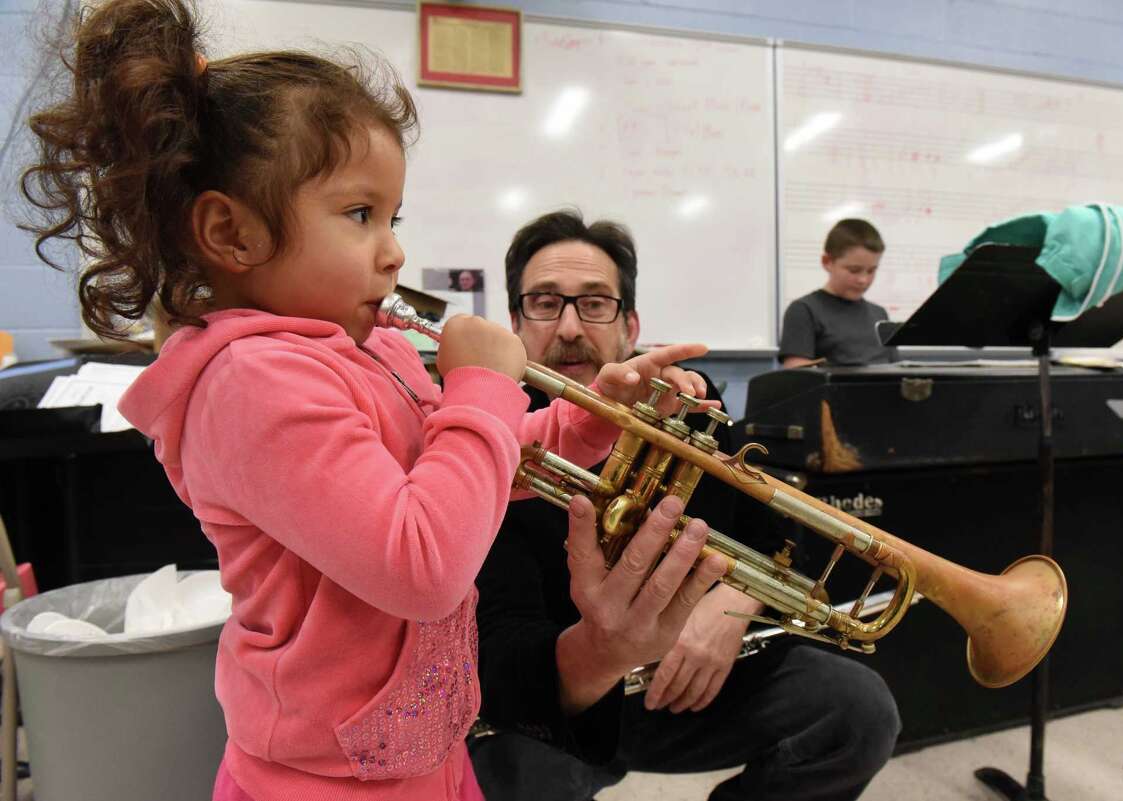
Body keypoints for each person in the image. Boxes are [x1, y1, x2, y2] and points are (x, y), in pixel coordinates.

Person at [20, 4, 722, 800]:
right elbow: (421, 562)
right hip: (325, 776)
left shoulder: (374, 349)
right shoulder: (249, 380)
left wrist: (588, 416)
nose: (393, 251)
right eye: (360, 215)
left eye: (394, 217)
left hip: (424, 742)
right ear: (232, 232)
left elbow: (464, 476)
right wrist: (485, 384)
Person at [470, 209, 901, 801]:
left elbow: (774, 537)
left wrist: (734, 601)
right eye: (545, 304)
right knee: (512, 780)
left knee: (859, 713)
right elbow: (497, 651)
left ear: (631, 325)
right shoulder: (486, 431)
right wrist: (603, 652)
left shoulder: (690, 404)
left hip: (690, 677)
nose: (569, 327)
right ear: (515, 324)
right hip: (560, 696)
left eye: (595, 304)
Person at [779, 219, 897, 367]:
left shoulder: (880, 315)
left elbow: (896, 370)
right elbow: (795, 373)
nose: (863, 279)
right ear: (827, 261)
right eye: (854, 270)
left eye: (871, 270)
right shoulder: (804, 310)